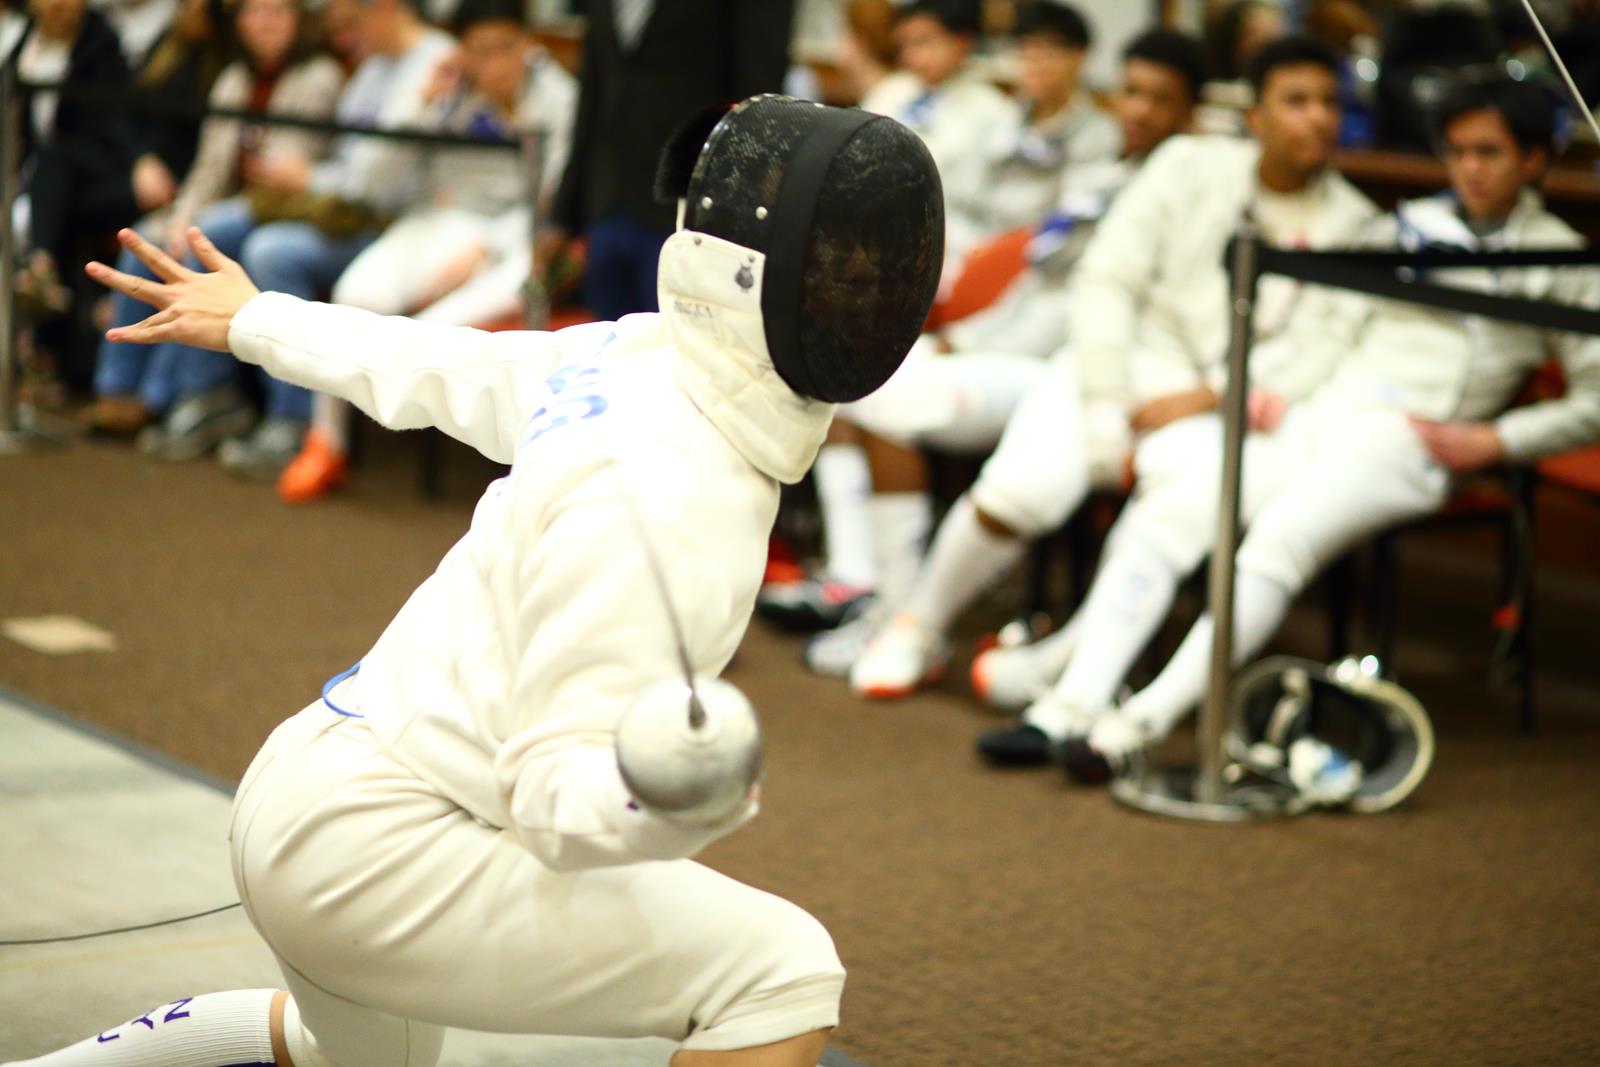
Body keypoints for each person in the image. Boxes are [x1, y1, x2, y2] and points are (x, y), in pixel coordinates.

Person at [18, 95, 941, 1067]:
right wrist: (680, 795)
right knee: (776, 974)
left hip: (324, 782)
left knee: (349, 1053)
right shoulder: (672, 488)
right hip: (382, 849)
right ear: (761, 274)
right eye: (843, 265)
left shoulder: (633, 355)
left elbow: (439, 363)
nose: (867, 286)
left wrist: (259, 318)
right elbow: (552, 790)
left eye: (875, 265)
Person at [1053, 75, 1600, 779]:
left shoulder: (1561, 257)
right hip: (1325, 411)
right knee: (1181, 503)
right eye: (1459, 151)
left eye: (1489, 152)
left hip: (1415, 439)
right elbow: (1327, 328)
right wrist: (1274, 388)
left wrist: (1498, 441)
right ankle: (1074, 699)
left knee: (1276, 542)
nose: (1470, 168)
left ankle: (1141, 724)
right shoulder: (1403, 225)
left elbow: (1594, 396)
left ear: (1532, 160)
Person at [845, 35, 1376, 721]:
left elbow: (1320, 348)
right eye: (1296, 101)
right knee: (1022, 491)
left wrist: (1210, 394)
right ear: (1256, 115)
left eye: (1330, 103)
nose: (1318, 119)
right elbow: (1106, 282)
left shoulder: (1355, 222)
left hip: (1223, 400)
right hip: (1124, 361)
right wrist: (1105, 401)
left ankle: (1069, 673)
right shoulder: (1190, 165)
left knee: (1170, 516)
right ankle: (916, 625)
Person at [785, 27, 1209, 670]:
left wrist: (972, 341)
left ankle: (896, 611)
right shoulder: (1111, 172)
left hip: (1062, 366)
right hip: (1011, 343)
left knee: (887, 402)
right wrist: (964, 336)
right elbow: (1037, 281)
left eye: (1159, 99)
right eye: (1130, 92)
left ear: (1191, 111)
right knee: (847, 378)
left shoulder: (1186, 193)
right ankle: (862, 583)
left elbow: (1082, 310)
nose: (1138, 110)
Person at [128, 0, 453, 474]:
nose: (340, 20)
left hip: (385, 223)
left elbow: (378, 184)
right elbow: (349, 162)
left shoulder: (434, 61)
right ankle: (203, 395)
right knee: (203, 233)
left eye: (351, 12)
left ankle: (294, 419)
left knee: (270, 250)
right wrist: (316, 178)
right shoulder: (372, 64)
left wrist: (311, 179)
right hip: (336, 207)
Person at [280, 0, 577, 502]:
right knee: (354, 294)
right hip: (443, 219)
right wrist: (420, 107)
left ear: (528, 45)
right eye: (478, 51)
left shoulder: (558, 97)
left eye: (504, 48)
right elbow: (373, 183)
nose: (493, 63)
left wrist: (487, 247)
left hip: (523, 241)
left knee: (443, 321)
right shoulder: (448, 86)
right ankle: (326, 442)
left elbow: (554, 203)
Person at [86, 0, 345, 437]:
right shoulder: (233, 78)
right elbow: (208, 170)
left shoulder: (320, 76)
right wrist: (179, 220)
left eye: (277, 13)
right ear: (239, 22)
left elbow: (285, 173)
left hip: (284, 210)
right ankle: (118, 389)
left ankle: (166, 395)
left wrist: (193, 228)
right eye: (254, 13)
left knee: (206, 238)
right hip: (228, 205)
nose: (264, 23)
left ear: (298, 20)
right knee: (146, 241)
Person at [542, 0, 796, 323]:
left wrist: (732, 210)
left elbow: (758, 95)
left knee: (677, 356)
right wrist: (564, 215)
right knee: (611, 357)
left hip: (688, 207)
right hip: (607, 201)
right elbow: (594, 90)